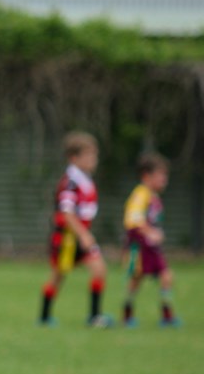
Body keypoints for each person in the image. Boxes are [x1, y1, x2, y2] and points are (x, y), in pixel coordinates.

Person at [38, 131, 114, 328]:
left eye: (94, 155)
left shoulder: (84, 179)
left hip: (81, 238)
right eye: (88, 156)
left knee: (99, 270)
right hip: (67, 239)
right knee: (58, 276)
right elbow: (67, 213)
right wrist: (84, 234)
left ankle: (95, 316)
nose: (93, 160)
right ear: (74, 158)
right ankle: (45, 317)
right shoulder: (70, 182)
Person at [121, 152, 180, 327]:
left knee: (166, 276)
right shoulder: (141, 194)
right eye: (160, 175)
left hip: (151, 248)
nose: (164, 179)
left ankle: (167, 316)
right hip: (138, 247)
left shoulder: (153, 196)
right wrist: (150, 233)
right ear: (147, 176)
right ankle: (127, 315)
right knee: (136, 279)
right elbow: (133, 219)